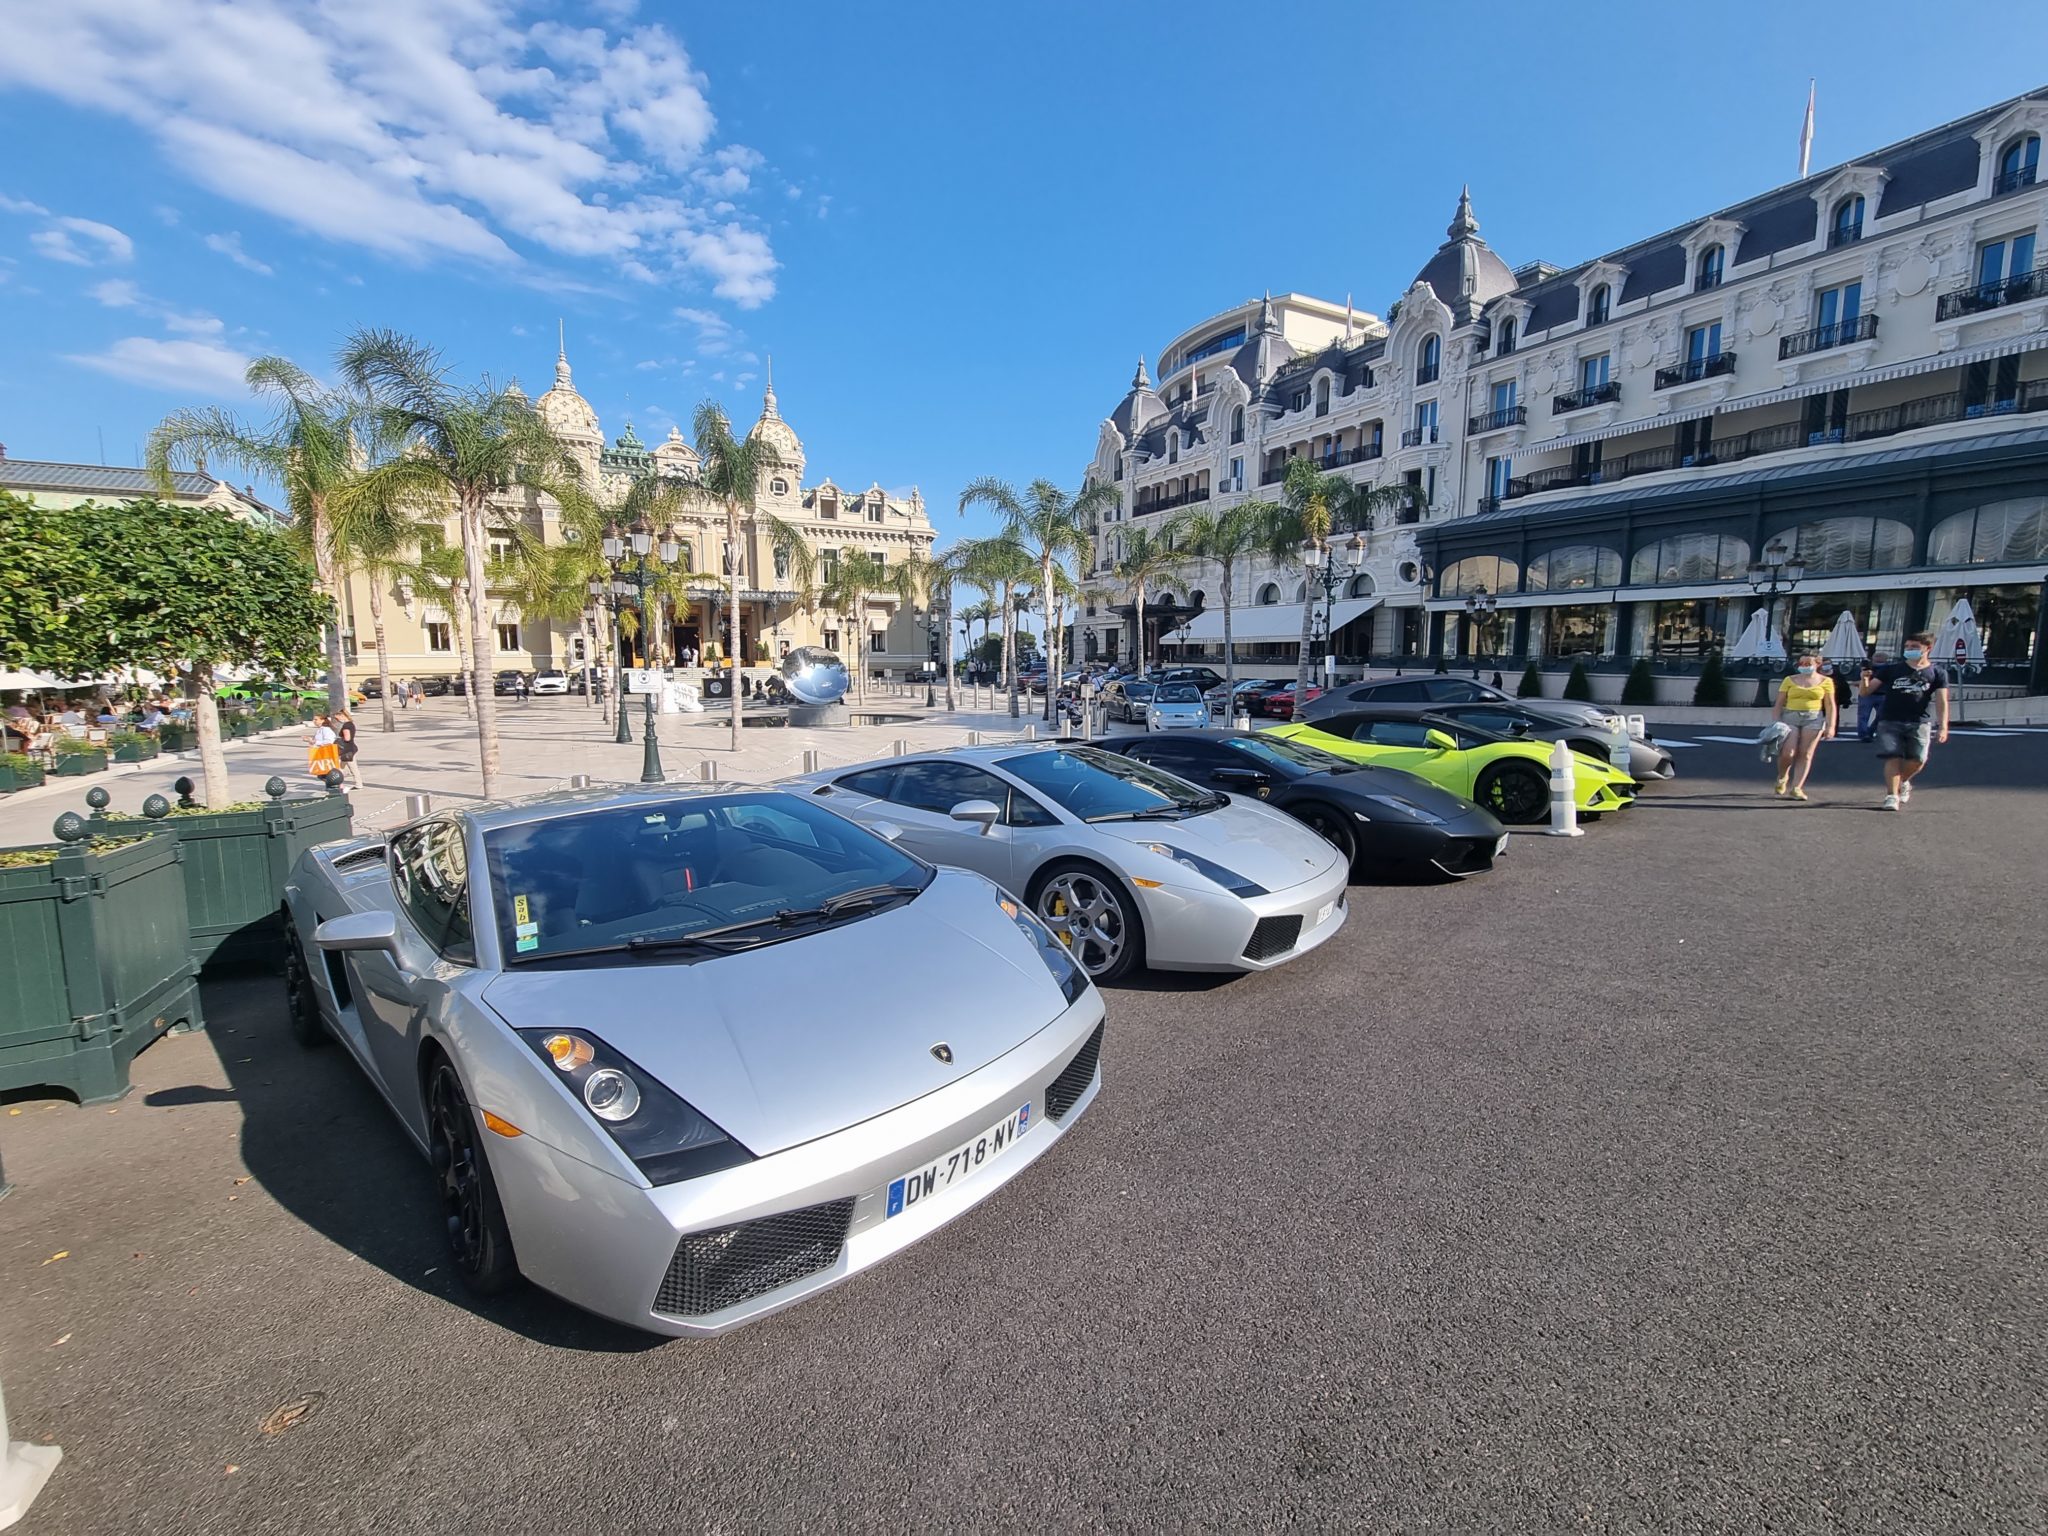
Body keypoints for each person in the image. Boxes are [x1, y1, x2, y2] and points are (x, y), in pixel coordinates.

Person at [1862, 631, 1949, 811]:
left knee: (1918, 759)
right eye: (1908, 647)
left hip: (1919, 721)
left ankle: (1903, 781)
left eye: (1915, 647)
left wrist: (1943, 726)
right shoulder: (1891, 669)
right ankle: (1892, 795)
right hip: (1889, 719)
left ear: (1928, 649)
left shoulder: (1937, 672)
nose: (1910, 650)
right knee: (1892, 756)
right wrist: (1864, 679)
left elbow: (1942, 700)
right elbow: (1866, 692)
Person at [1770, 653, 1837, 800]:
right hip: (1790, 716)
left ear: (1817, 664)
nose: (1804, 666)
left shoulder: (1826, 681)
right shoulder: (1789, 680)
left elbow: (1830, 705)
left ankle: (1797, 787)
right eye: (1802, 663)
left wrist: (1831, 726)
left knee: (1806, 753)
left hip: (1813, 718)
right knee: (1789, 752)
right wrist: (1776, 721)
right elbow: (1779, 703)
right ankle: (1782, 776)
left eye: (1808, 663)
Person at [1854, 651, 1886, 741]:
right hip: (1874, 694)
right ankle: (1867, 733)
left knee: (1864, 716)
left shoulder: (1887, 669)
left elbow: (1855, 682)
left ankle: (1866, 733)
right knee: (1878, 716)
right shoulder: (1866, 669)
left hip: (1875, 694)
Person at [305, 713, 342, 784]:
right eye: (314, 719)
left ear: (322, 720)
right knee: (322, 773)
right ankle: (332, 786)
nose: (314, 721)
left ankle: (336, 786)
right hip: (321, 754)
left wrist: (315, 742)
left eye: (316, 719)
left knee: (325, 774)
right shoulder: (320, 730)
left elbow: (329, 741)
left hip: (326, 754)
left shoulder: (326, 729)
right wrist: (311, 741)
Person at [333, 707, 363, 788]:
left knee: (347, 768)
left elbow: (347, 738)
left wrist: (340, 739)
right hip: (351, 748)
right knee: (347, 767)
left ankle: (341, 783)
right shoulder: (351, 724)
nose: (337, 720)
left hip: (347, 750)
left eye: (337, 718)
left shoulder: (346, 726)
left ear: (342, 716)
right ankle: (357, 784)